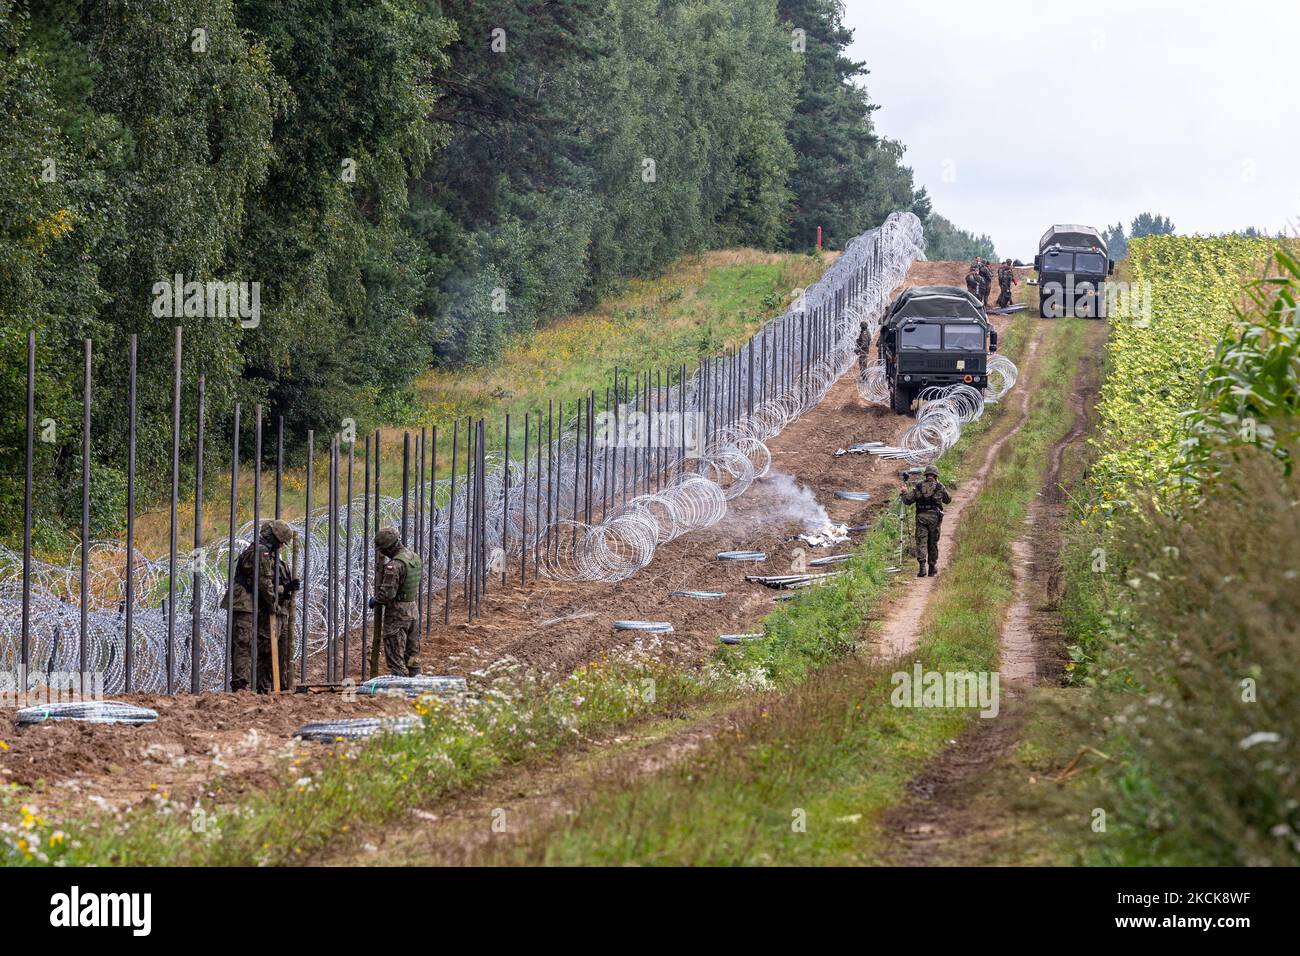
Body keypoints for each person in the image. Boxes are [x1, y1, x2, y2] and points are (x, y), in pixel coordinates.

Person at [223, 519, 298, 692]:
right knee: (244, 642)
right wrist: (273, 605)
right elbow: (264, 583)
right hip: (244, 602)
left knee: (255, 645)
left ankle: (255, 685)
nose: (280, 547)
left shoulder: (266, 551)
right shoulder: (261, 551)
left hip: (251, 602)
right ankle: (240, 685)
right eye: (280, 543)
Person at [369, 526, 423, 676]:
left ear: (389, 548)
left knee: (395, 653)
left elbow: (388, 594)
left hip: (397, 614)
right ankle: (416, 676)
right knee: (412, 651)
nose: (382, 552)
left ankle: (399, 685)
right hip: (412, 609)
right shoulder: (414, 557)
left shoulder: (395, 565)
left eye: (383, 549)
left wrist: (376, 600)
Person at [901, 464, 952, 577]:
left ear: (926, 475)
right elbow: (948, 500)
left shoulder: (919, 486)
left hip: (921, 518)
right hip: (934, 518)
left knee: (921, 542)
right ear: (936, 475)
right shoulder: (939, 487)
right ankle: (932, 568)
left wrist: (904, 491)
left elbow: (908, 501)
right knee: (932, 542)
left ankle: (922, 568)